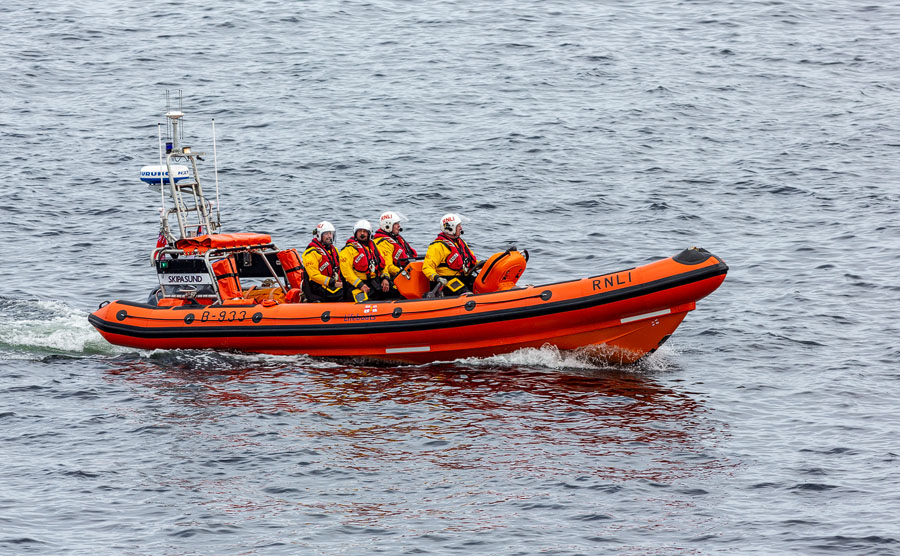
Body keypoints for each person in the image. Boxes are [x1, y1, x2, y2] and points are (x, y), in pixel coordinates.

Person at [421, 213, 479, 296]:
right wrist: (437, 278)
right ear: (450, 228)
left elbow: (472, 261)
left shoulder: (460, 243)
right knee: (464, 292)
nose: (461, 228)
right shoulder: (437, 246)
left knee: (480, 284)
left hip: (462, 277)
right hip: (446, 281)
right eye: (458, 226)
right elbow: (427, 267)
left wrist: (485, 264)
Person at [339, 219, 397, 301]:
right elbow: (347, 272)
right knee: (364, 300)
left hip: (374, 282)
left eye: (364, 231)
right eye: (360, 231)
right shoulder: (348, 250)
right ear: (355, 233)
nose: (362, 233)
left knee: (396, 290)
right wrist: (360, 285)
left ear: (369, 233)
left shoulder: (374, 247)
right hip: (356, 285)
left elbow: (383, 264)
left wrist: (385, 278)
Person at [301, 221, 343, 303]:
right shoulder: (311, 253)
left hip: (331, 284)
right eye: (326, 234)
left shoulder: (334, 250)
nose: (329, 236)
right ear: (319, 235)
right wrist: (333, 283)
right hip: (317, 287)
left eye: (330, 234)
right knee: (342, 293)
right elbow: (314, 275)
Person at [374, 211, 418, 280]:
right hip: (396, 277)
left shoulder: (396, 239)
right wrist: (404, 273)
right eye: (396, 224)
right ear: (387, 226)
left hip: (406, 269)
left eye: (398, 223)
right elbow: (389, 267)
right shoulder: (383, 243)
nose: (399, 226)